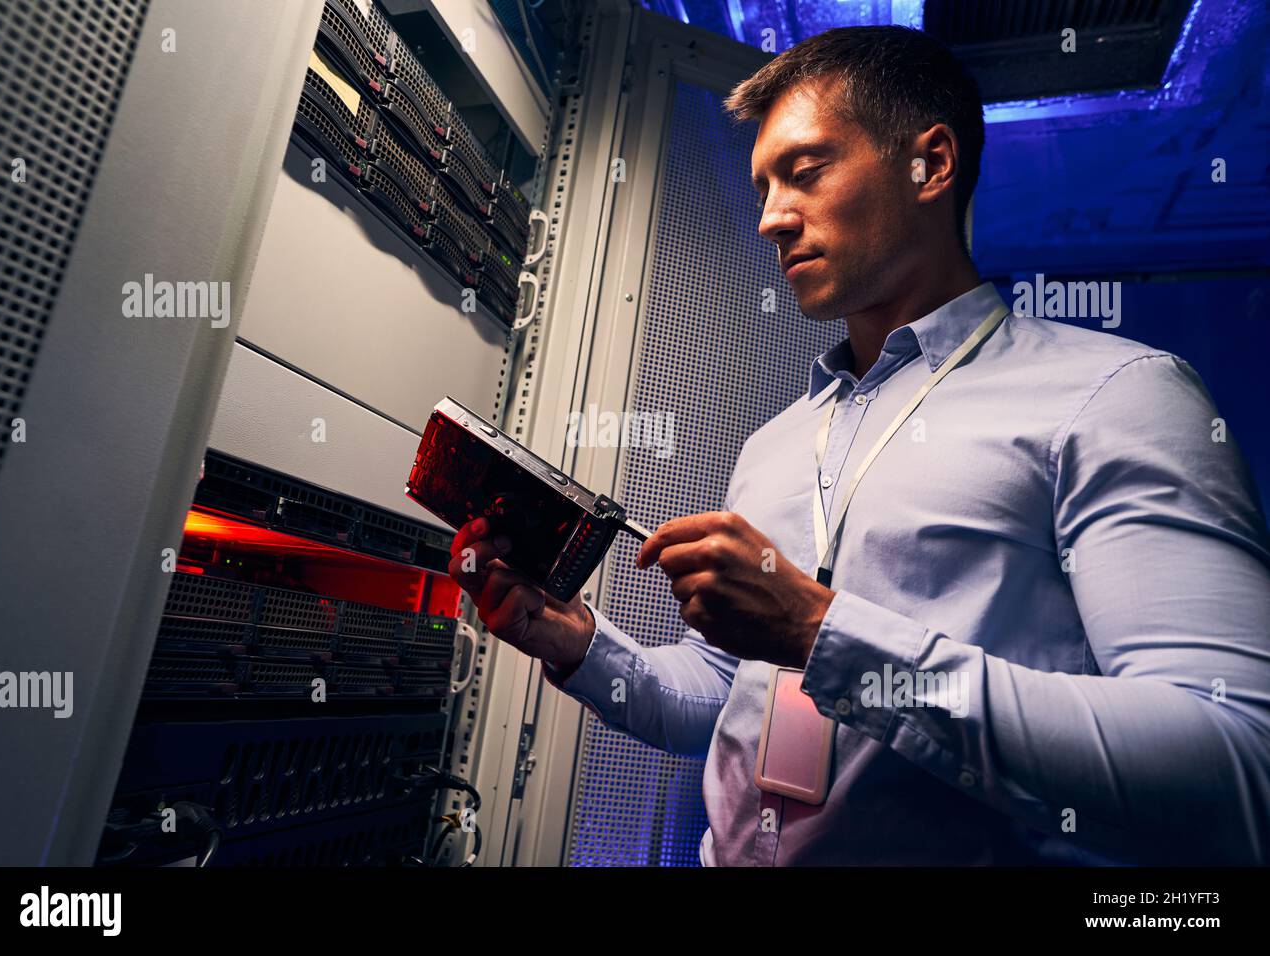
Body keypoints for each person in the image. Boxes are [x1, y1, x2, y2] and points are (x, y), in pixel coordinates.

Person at [447, 25, 1270, 865]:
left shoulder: (1115, 395)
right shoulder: (775, 444)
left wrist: (820, 631)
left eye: (804, 172)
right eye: (763, 186)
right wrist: (576, 641)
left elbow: (1234, 758)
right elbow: (721, 700)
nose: (770, 218)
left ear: (931, 165)